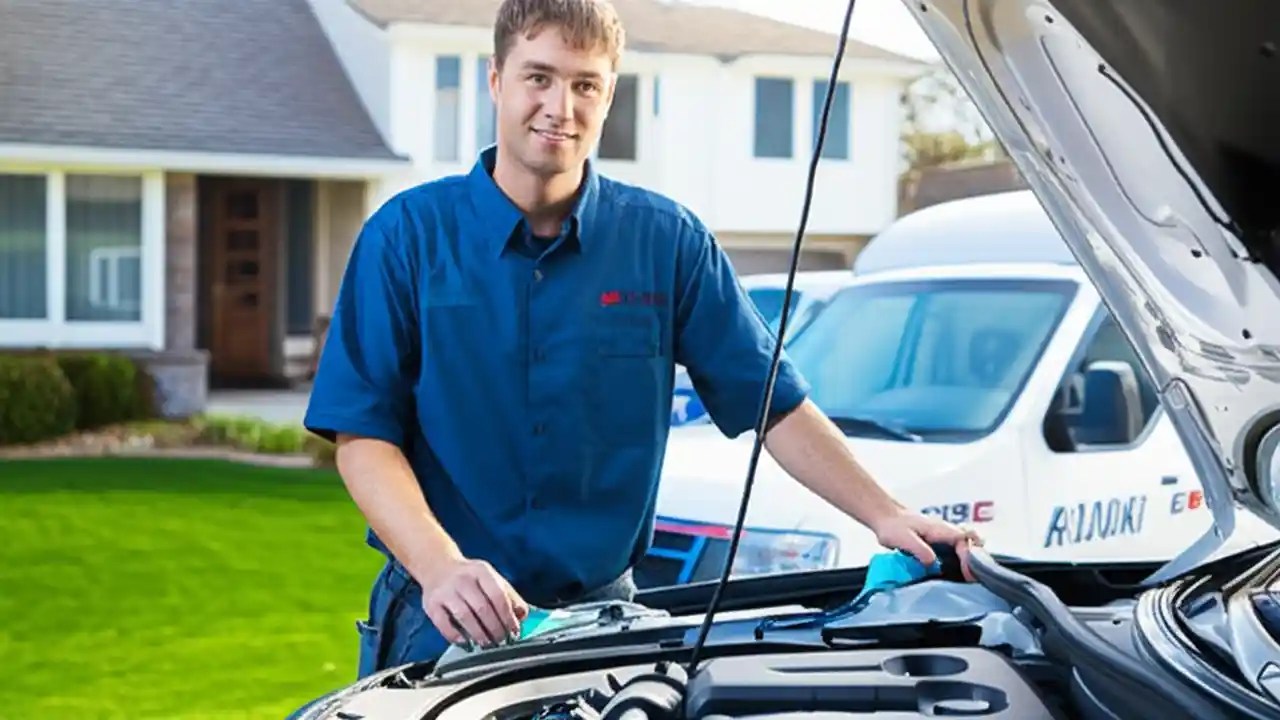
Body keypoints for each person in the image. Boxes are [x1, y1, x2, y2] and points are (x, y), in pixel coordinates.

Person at [304, 0, 982, 678]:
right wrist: (440, 566)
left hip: (600, 628)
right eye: (538, 77)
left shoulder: (667, 243)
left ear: (609, 95)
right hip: (439, 612)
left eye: (584, 84)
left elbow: (773, 404)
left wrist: (887, 515)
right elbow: (364, 438)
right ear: (496, 81)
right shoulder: (406, 238)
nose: (559, 106)